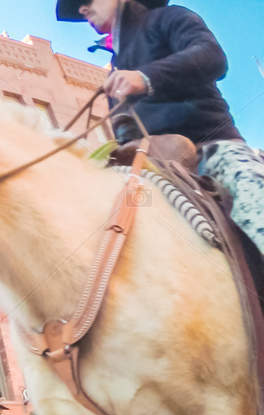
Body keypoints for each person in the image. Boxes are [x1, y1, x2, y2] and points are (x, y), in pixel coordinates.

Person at [59, 2, 264, 258]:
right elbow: (127, 135)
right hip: (156, 168)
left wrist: (146, 77)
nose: (82, 9)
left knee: (254, 202)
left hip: (213, 149)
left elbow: (212, 57)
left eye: (86, 0)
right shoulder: (115, 70)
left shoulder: (169, 17)